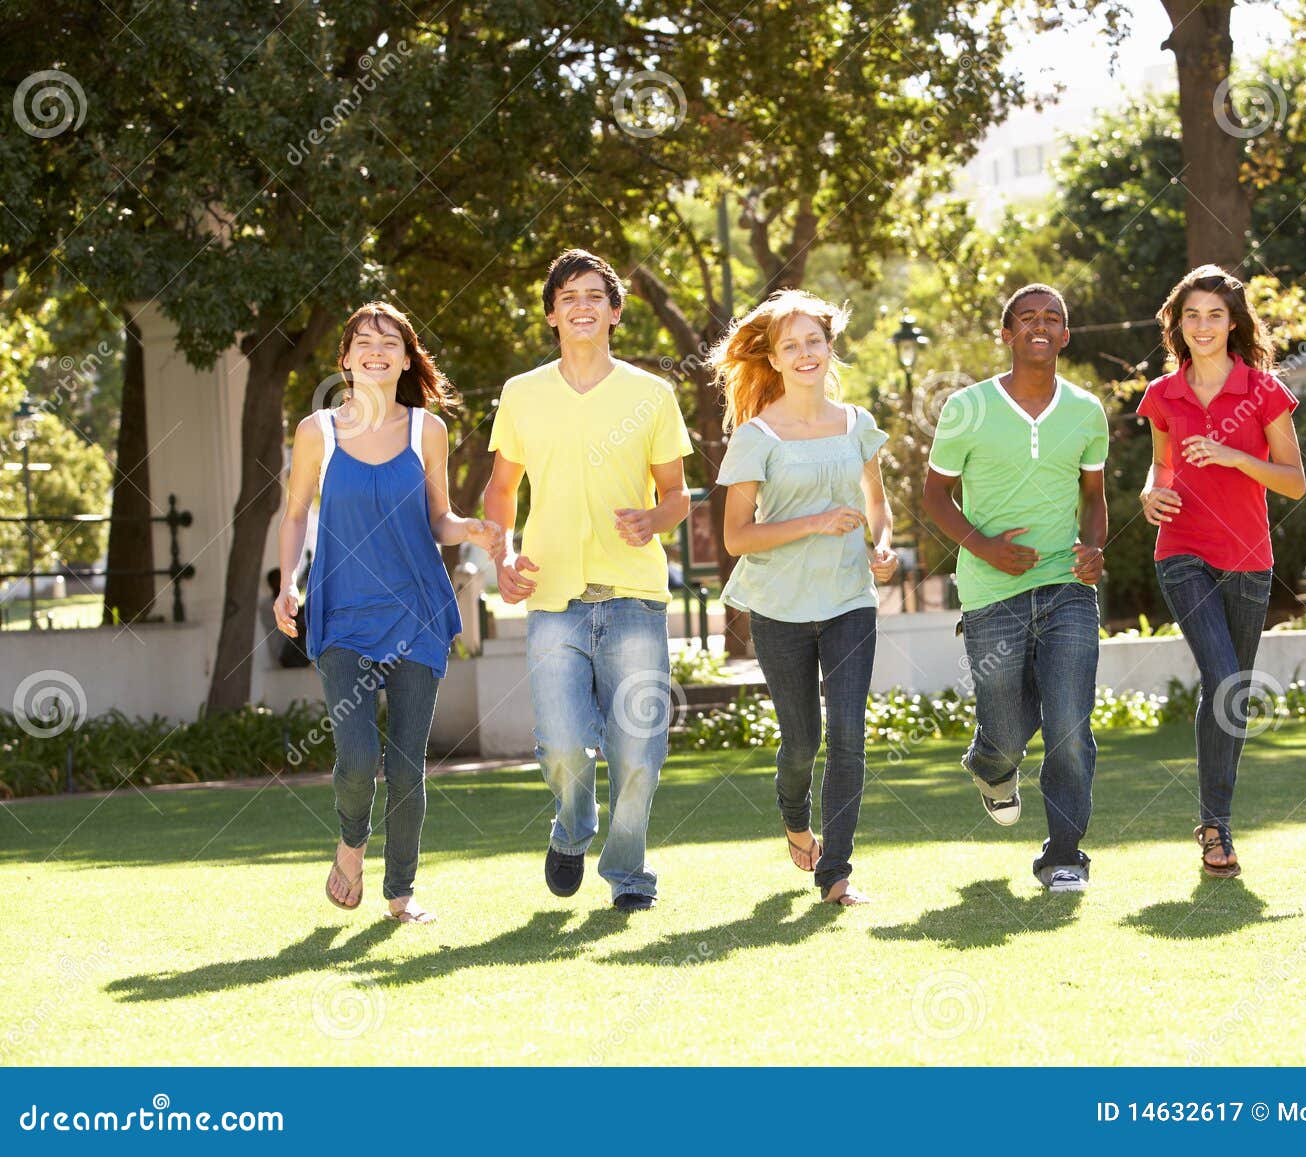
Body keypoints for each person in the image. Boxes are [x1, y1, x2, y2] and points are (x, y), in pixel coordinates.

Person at [275, 302, 503, 923]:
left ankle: (400, 892)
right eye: (364, 341)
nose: (376, 350)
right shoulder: (317, 431)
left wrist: (475, 530)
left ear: (406, 359)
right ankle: (352, 842)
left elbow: (439, 519)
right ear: (345, 358)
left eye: (390, 342)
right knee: (354, 754)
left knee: (406, 765)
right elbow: (296, 514)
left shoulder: (426, 430)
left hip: (417, 609)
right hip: (342, 609)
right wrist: (287, 583)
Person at [483, 249, 692, 913]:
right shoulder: (522, 394)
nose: (581, 305)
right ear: (551, 314)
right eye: (568, 295)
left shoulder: (650, 394)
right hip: (551, 597)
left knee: (639, 753)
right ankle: (572, 826)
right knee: (565, 745)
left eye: (594, 295)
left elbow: (677, 495)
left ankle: (629, 873)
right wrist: (503, 557)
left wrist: (654, 518)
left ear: (614, 311)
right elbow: (499, 488)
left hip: (633, 597)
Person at [710, 290, 896, 906]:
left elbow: (877, 503)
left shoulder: (856, 423)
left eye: (813, 340)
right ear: (776, 357)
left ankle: (836, 873)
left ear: (829, 345)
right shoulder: (756, 435)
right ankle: (795, 818)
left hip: (849, 598)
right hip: (779, 607)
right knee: (802, 740)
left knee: (848, 732)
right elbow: (736, 536)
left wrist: (883, 544)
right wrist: (814, 523)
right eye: (791, 345)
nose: (805, 353)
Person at [922, 283, 1108, 893]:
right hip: (989, 591)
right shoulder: (966, 408)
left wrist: (1094, 549)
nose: (1040, 325)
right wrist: (986, 548)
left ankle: (1064, 855)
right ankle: (991, 765)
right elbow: (933, 497)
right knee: (1002, 726)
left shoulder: (1086, 410)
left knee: (1070, 726)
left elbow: (1095, 496)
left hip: (1065, 589)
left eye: (1053, 318)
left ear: (1065, 335)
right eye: (1026, 317)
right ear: (1006, 335)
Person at [1137, 264, 1305, 878]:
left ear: (1233, 322)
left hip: (1248, 559)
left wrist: (1235, 454)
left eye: (1214, 314)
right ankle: (1218, 830)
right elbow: (1160, 468)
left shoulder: (1263, 391)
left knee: (1229, 692)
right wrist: (1149, 496)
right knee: (1223, 673)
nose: (1202, 326)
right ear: (1176, 325)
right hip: (1181, 549)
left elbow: (1294, 482)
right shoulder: (1163, 395)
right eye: (1191, 315)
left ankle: (1215, 819)